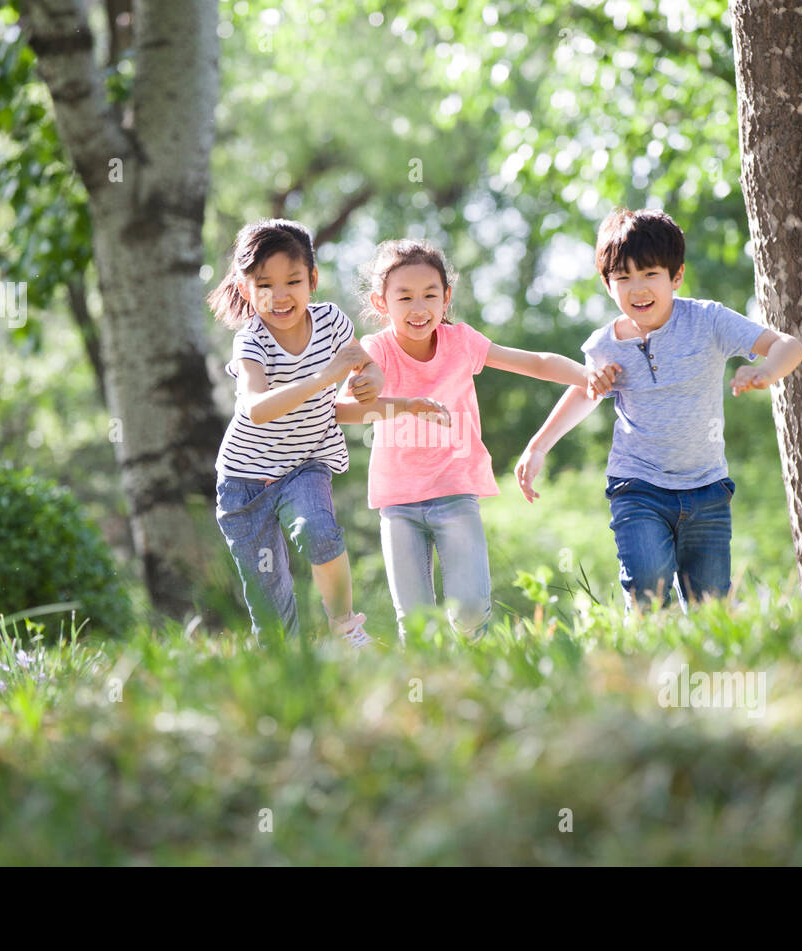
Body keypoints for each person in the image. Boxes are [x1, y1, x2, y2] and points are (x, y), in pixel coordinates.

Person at [514, 207, 802, 612]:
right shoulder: (604, 344)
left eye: (650, 274)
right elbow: (584, 392)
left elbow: (789, 345)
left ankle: (701, 670)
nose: (637, 289)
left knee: (711, 608)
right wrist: (538, 446)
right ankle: (644, 658)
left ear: (676, 276)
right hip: (638, 487)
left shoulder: (708, 321)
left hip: (707, 489)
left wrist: (766, 371)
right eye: (623, 278)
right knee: (647, 584)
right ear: (607, 284)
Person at [336, 238, 588, 642]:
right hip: (398, 502)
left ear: (446, 297)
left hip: (455, 490)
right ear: (381, 302)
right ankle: (424, 693)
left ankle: (474, 680)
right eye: (404, 297)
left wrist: (592, 376)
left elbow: (535, 362)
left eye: (430, 295)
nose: (419, 308)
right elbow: (343, 410)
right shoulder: (374, 350)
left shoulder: (461, 343)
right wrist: (404, 406)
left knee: (470, 610)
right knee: (416, 623)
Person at [208, 218, 383, 647]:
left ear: (313, 279)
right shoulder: (251, 342)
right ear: (246, 288)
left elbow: (365, 363)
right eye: (264, 284)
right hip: (244, 483)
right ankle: (283, 667)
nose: (281, 295)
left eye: (293, 281)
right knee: (272, 602)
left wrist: (372, 379)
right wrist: (326, 377)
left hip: (306, 464)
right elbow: (257, 408)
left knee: (317, 530)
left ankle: (346, 629)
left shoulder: (331, 322)